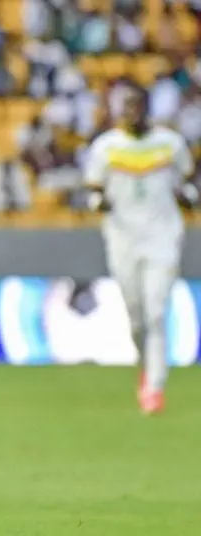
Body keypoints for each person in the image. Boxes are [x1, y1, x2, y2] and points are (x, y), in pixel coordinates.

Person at [83, 85, 196, 415]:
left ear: (145, 108)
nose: (127, 113)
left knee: (156, 311)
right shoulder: (107, 147)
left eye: (132, 106)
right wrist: (98, 203)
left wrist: (187, 194)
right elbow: (93, 189)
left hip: (163, 236)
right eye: (123, 108)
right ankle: (144, 367)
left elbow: (187, 179)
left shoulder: (169, 143)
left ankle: (155, 387)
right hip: (123, 239)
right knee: (136, 316)